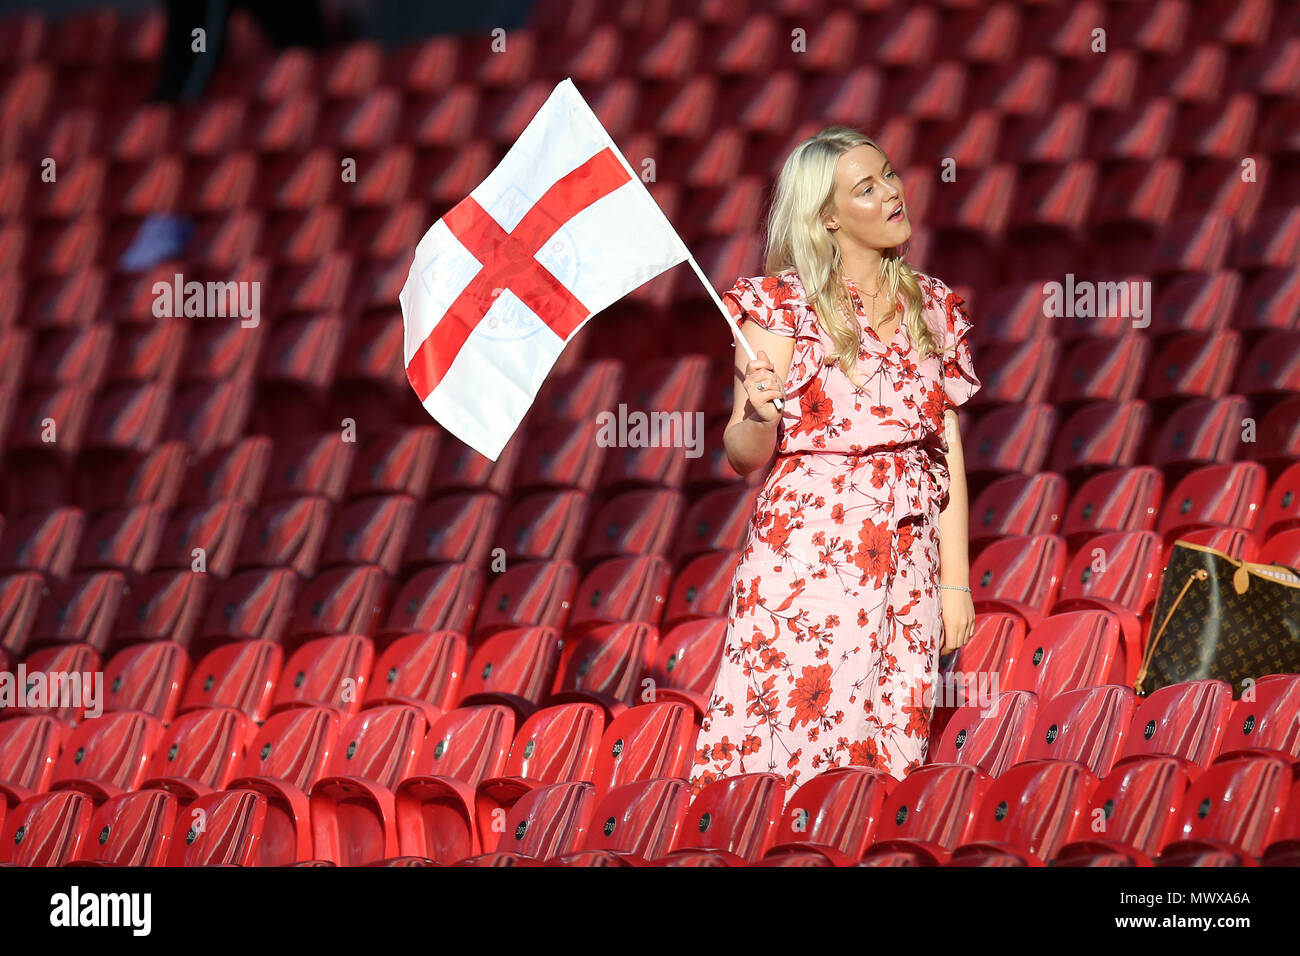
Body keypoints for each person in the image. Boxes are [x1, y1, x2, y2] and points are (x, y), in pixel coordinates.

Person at [690, 126, 982, 796]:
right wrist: (760, 413)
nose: (891, 193)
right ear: (827, 215)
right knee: (800, 754)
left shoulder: (933, 306)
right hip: (808, 561)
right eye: (866, 187)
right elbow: (743, 453)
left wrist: (957, 581)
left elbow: (946, 446)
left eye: (888, 175)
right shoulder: (778, 305)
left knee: (889, 758)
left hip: (908, 557)